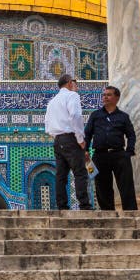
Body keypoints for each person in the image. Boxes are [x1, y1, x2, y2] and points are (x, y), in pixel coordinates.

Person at [84, 86, 138, 211]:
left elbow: (131, 135)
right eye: (104, 95)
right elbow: (87, 134)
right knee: (101, 186)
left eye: (108, 95)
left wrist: (129, 152)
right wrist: (85, 150)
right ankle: (107, 214)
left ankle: (130, 213)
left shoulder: (123, 117)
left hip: (119, 155)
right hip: (99, 155)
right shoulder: (95, 115)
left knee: (126, 184)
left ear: (116, 98)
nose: (105, 97)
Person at [45, 74, 92, 210]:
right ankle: (84, 205)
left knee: (61, 175)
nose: (76, 87)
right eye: (75, 83)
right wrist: (80, 139)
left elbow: (47, 126)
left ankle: (62, 206)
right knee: (80, 172)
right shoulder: (72, 96)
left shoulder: (52, 102)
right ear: (70, 83)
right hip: (71, 139)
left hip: (58, 140)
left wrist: (58, 137)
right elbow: (76, 116)